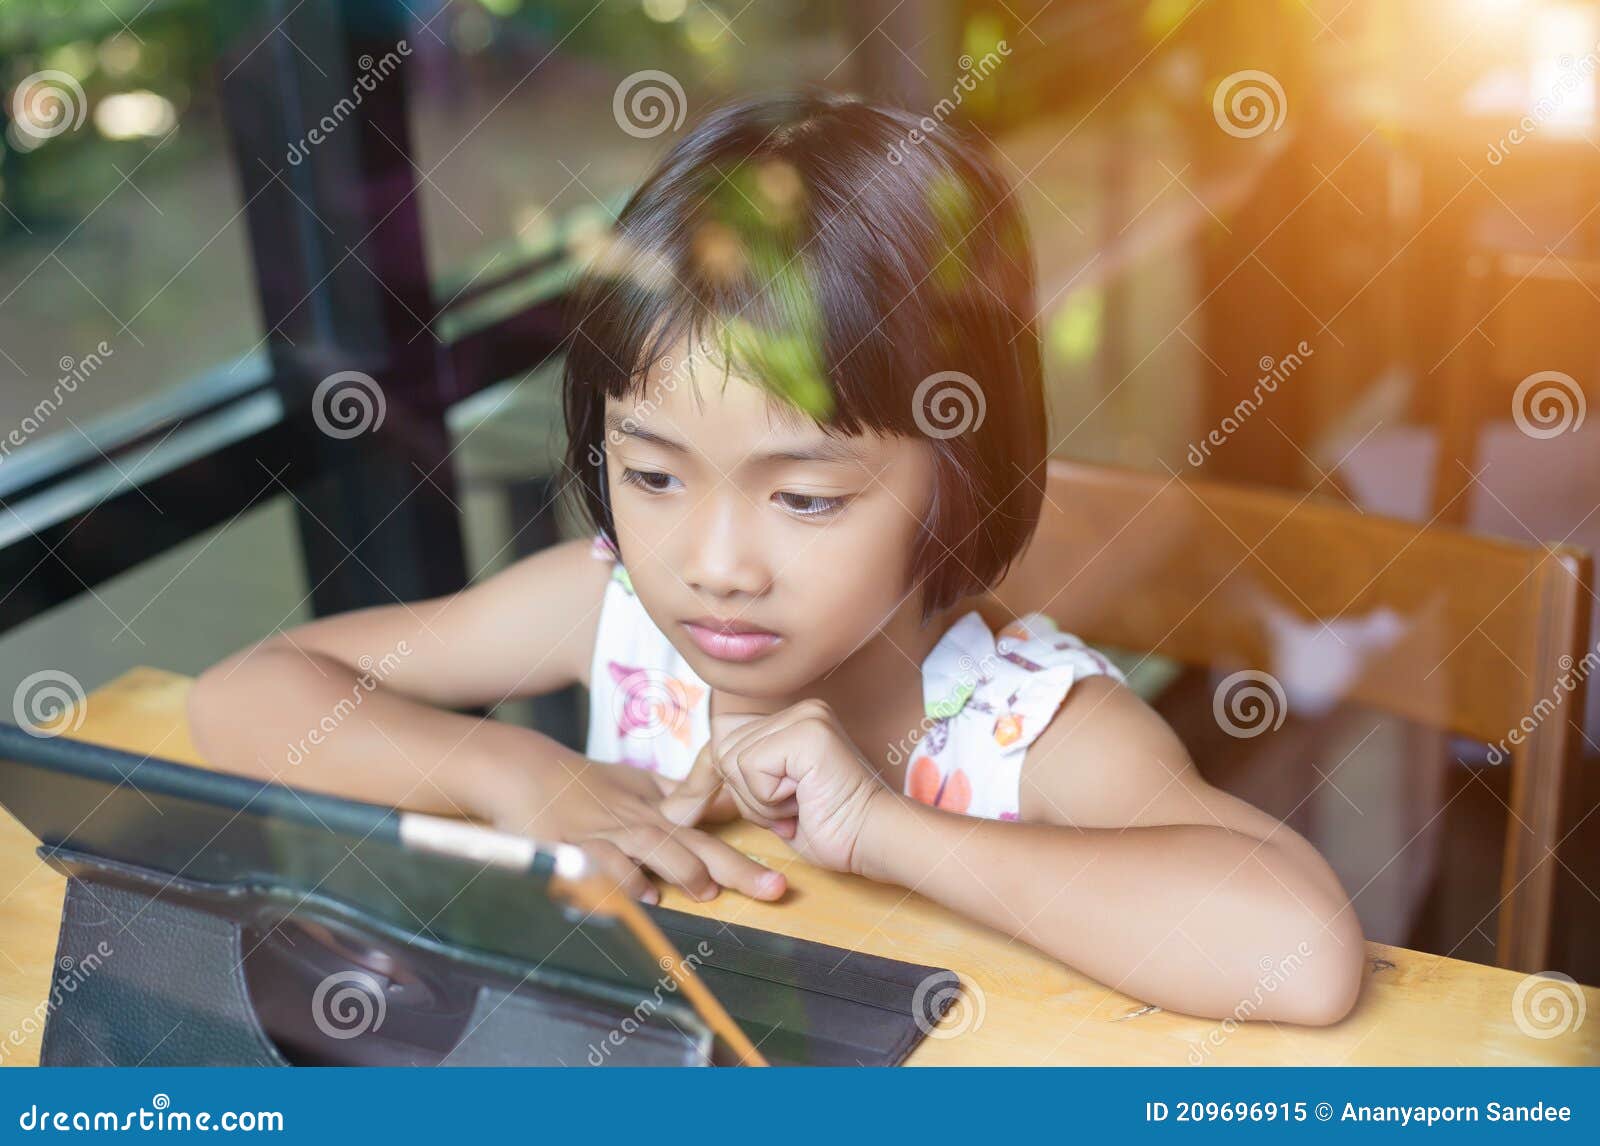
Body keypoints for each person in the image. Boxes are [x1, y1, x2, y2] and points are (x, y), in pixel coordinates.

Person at [190, 91, 1363, 1025]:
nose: (713, 563)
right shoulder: (608, 618)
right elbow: (240, 696)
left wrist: (886, 829)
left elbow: (1298, 955)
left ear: (959, 470)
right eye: (652, 475)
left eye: (803, 496)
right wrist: (510, 770)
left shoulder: (1023, 725)